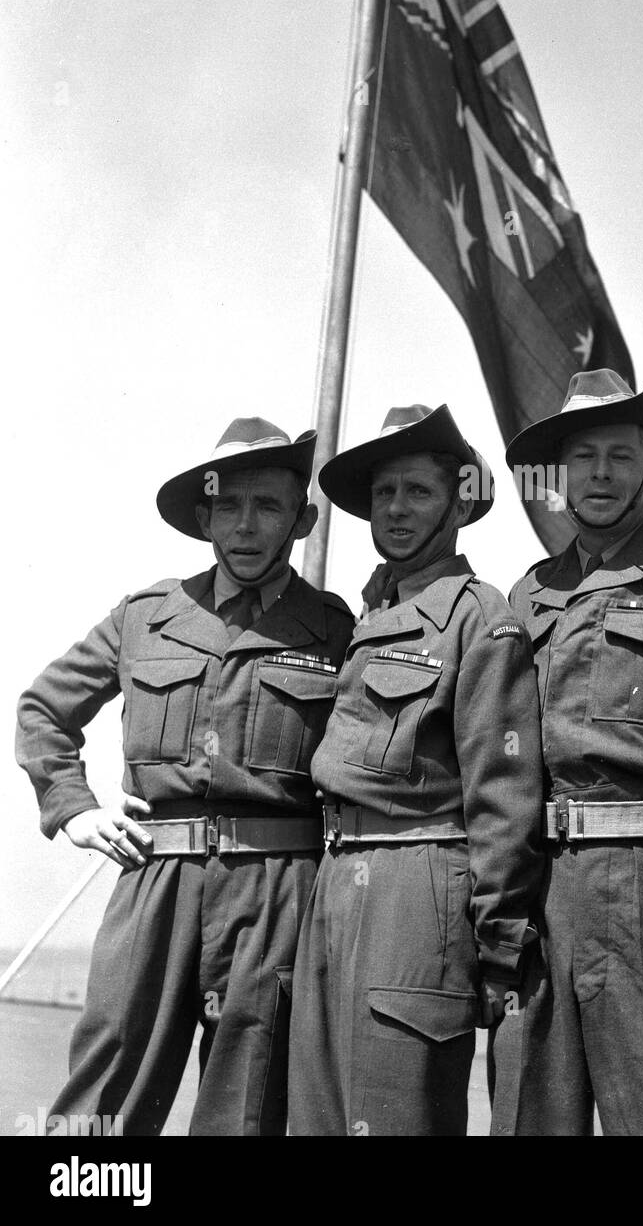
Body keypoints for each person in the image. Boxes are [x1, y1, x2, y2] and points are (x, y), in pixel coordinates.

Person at [15, 418, 355, 1136]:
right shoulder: (147, 617)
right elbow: (44, 708)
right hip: (155, 880)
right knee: (107, 1085)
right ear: (204, 517)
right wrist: (73, 807)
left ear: (303, 519)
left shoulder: (332, 628)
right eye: (228, 506)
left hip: (277, 889)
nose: (246, 525)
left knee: (247, 1097)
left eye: (268, 506)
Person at [287, 403, 544, 1137]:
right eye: (384, 494)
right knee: (319, 1120)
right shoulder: (367, 619)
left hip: (416, 884)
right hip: (334, 881)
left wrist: (498, 942)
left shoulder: (479, 619)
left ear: (460, 502)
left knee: (396, 1115)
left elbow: (503, 796)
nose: (395, 509)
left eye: (417, 492)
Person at [488, 369, 643, 1136]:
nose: (599, 474)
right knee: (530, 1106)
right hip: (537, 887)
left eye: (620, 456)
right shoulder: (527, 595)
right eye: (582, 456)